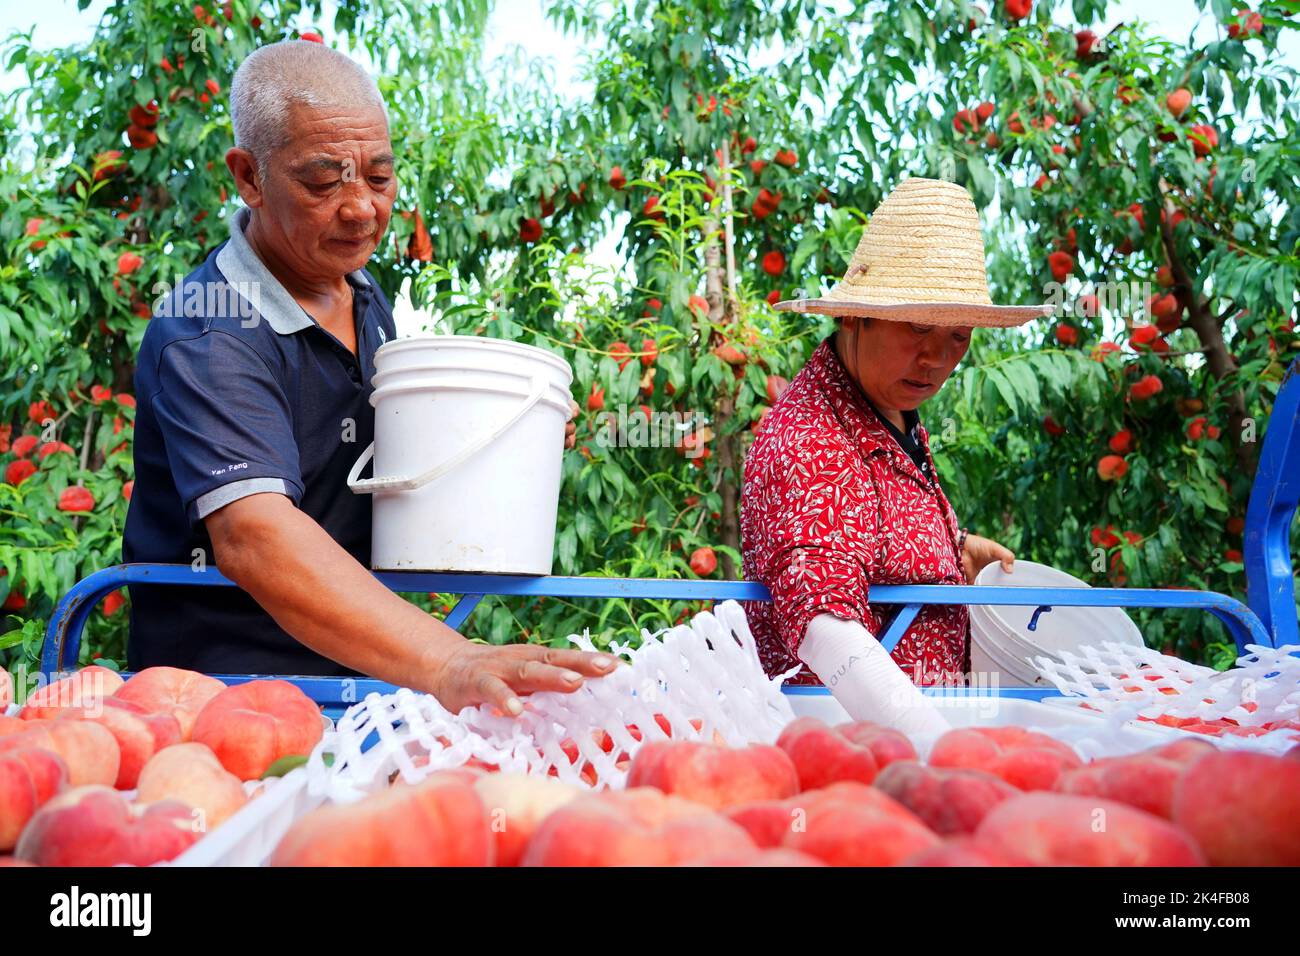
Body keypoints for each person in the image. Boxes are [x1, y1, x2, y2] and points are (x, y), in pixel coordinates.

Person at [123, 40, 615, 716]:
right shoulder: (210, 332)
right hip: (229, 698)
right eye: (323, 183)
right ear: (249, 177)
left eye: (379, 177)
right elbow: (254, 538)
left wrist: (497, 437)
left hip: (364, 677)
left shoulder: (361, 293)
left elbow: (365, 456)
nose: (360, 209)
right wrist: (450, 660)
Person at [742, 177, 1051, 734]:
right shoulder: (811, 440)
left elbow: (866, 534)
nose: (936, 357)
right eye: (917, 327)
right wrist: (936, 749)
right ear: (854, 317)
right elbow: (824, 624)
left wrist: (950, 549)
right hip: (856, 744)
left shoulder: (887, 412)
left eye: (958, 335)